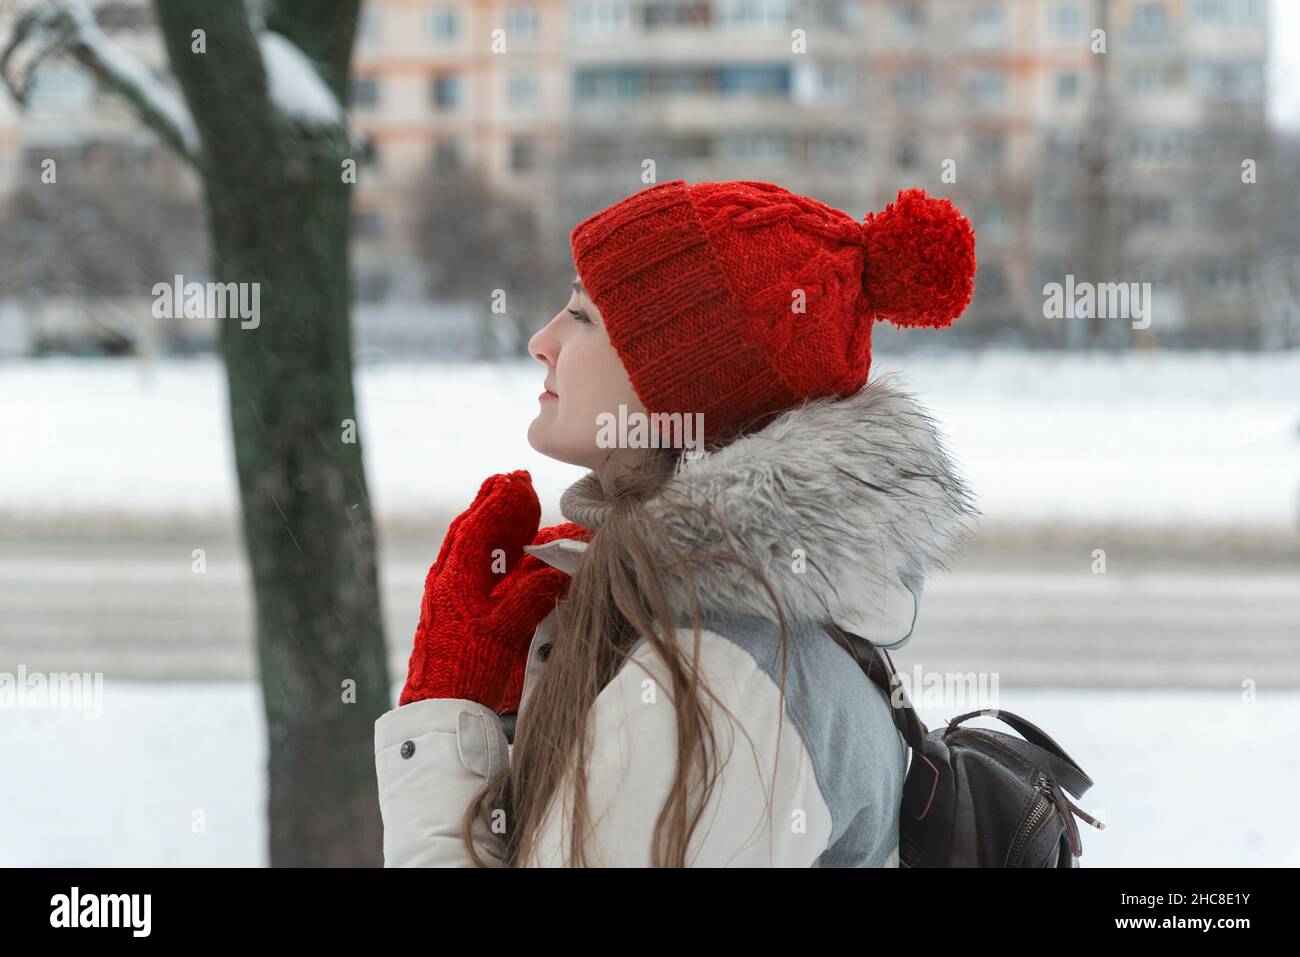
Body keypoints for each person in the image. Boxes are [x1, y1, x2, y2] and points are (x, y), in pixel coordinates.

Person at [374, 178, 980, 867]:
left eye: (582, 315)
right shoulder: (716, 625)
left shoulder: (710, 681)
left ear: (680, 386)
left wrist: (444, 702)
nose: (542, 341)